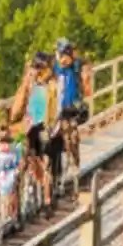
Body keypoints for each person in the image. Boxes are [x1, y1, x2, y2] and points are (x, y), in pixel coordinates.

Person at [9, 51, 60, 208]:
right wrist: (25, 84)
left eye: (42, 68)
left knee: (44, 157)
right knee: (16, 155)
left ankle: (46, 198)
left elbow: (56, 110)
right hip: (28, 128)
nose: (39, 72)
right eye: (37, 68)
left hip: (45, 127)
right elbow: (15, 113)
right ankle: (13, 202)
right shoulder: (29, 86)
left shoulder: (53, 86)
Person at [52, 38, 92, 197]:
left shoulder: (75, 67)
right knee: (53, 145)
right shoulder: (55, 68)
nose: (64, 59)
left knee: (72, 141)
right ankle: (56, 179)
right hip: (55, 113)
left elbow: (85, 64)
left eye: (66, 54)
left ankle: (75, 172)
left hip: (70, 112)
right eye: (62, 54)